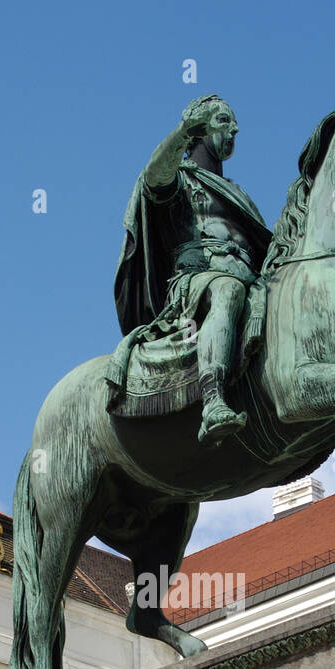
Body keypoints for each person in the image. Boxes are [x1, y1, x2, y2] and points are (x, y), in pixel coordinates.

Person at [111, 95, 271, 446]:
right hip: (196, 281)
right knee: (228, 291)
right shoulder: (179, 178)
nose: (235, 129)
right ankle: (213, 401)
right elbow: (154, 176)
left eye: (234, 123)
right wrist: (182, 131)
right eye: (225, 121)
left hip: (248, 275)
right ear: (202, 129)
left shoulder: (238, 193)